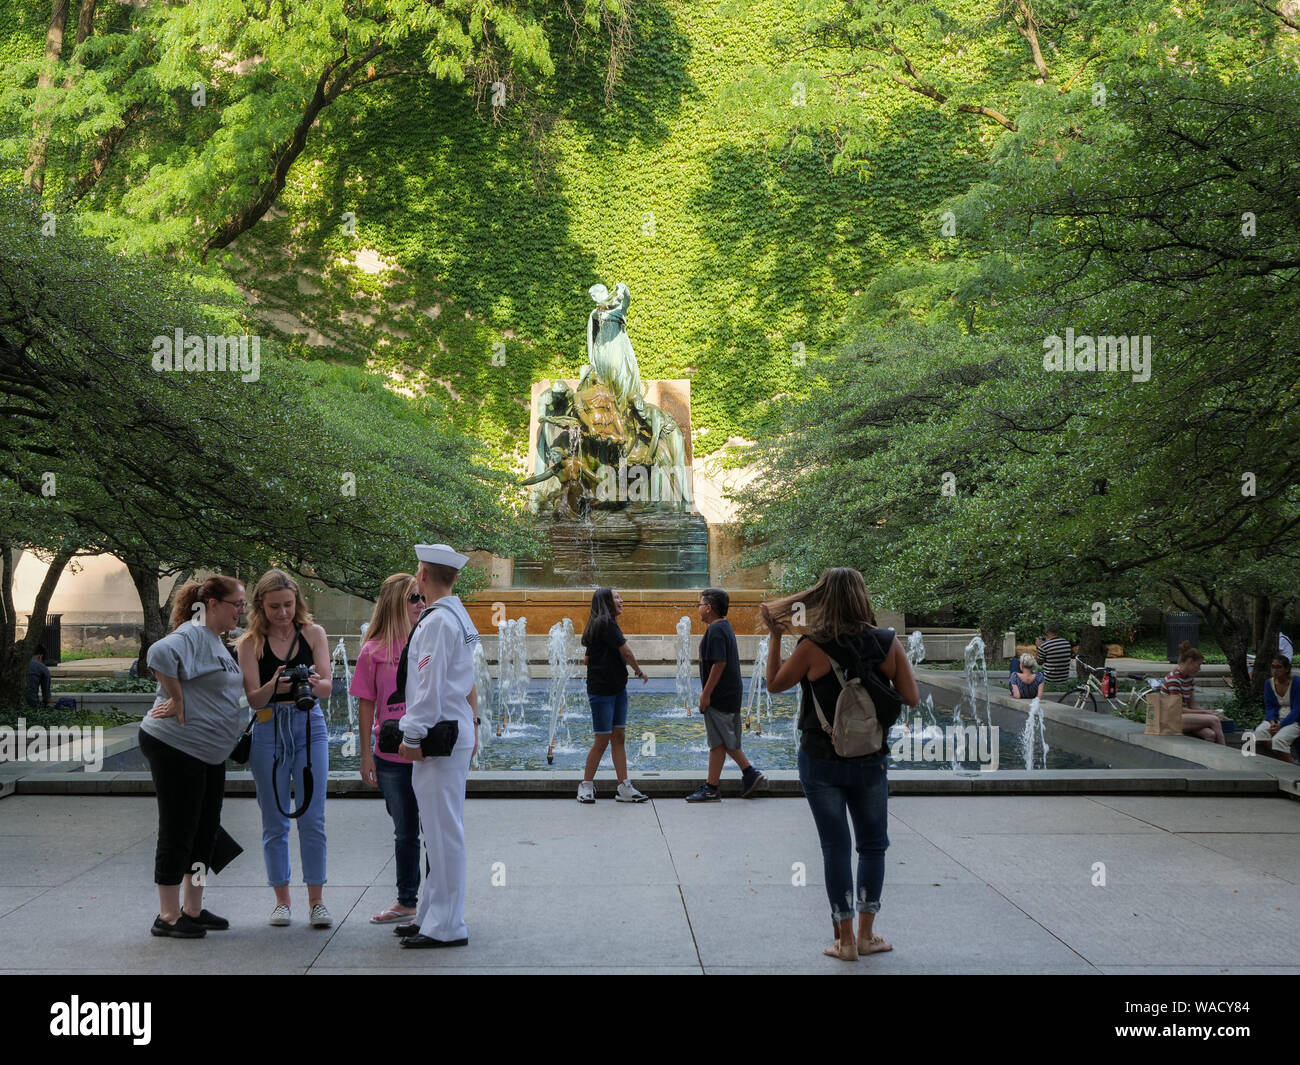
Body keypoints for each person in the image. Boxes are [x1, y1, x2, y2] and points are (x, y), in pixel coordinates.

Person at [761, 568, 918, 962]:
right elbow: (912, 698)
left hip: (820, 759)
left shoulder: (812, 647)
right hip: (870, 761)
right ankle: (867, 935)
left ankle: (844, 941)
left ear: (824, 600)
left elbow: (775, 685)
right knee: (873, 847)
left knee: (835, 848)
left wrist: (776, 636)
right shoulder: (887, 642)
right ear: (862, 598)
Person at [138, 575, 247, 938]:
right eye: (237, 604)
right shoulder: (193, 633)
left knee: (204, 834)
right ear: (212, 604)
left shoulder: (215, 640)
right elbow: (158, 654)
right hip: (176, 748)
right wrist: (178, 698)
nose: (241, 611)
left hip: (207, 753)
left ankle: (193, 908)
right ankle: (167, 916)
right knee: (178, 830)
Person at [393, 544, 481, 949]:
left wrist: (411, 736)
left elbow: (426, 688)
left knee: (442, 833)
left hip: (437, 736)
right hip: (452, 730)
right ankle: (431, 916)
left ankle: (446, 925)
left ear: (422, 575)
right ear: (455, 577)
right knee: (441, 829)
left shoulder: (435, 623)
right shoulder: (456, 617)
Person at [236, 569, 334, 928]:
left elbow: (325, 688)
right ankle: (281, 900)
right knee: (273, 820)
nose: (282, 613)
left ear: (297, 602)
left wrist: (307, 680)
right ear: (260, 605)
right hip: (268, 729)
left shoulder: (313, 633)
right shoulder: (250, 643)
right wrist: (277, 683)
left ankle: (317, 900)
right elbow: (253, 698)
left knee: (313, 818)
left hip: (309, 726)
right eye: (274, 606)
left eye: (288, 605)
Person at [351, 573, 425, 923]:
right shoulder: (373, 650)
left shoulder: (428, 642)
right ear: (397, 602)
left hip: (428, 753)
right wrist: (366, 755)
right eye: (414, 598)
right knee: (406, 829)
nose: (421, 604)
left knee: (436, 829)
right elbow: (367, 704)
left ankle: (438, 901)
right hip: (391, 757)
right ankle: (407, 901)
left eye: (422, 597)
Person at [685, 588, 765, 801]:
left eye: (700, 604)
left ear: (709, 608)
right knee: (718, 741)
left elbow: (719, 663)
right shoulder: (723, 627)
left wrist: (705, 694)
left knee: (725, 739)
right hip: (727, 693)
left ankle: (749, 772)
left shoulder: (716, 630)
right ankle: (712, 786)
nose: (699, 608)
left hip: (720, 695)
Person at [577, 588, 649, 804]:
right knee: (602, 739)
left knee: (618, 737)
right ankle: (586, 786)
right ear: (606, 602)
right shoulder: (606, 624)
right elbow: (626, 652)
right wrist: (638, 671)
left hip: (616, 688)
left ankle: (624, 786)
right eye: (616, 597)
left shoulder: (599, 624)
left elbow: (587, 659)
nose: (621, 600)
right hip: (603, 691)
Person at [1162, 641, 1224, 744]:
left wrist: (1213, 712)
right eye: (1198, 665)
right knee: (1214, 720)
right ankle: (1225, 751)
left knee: (1210, 734)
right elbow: (1178, 709)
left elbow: (1193, 705)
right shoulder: (1174, 679)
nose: (1199, 669)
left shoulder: (1189, 679)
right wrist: (1207, 713)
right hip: (1170, 719)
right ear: (1190, 661)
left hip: (1183, 718)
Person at [1252, 654, 1299, 763]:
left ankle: (1293, 766)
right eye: (1273, 667)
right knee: (1259, 732)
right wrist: (1272, 721)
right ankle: (1290, 761)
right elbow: (1270, 706)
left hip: (1295, 720)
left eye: (1278, 667)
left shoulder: (1296, 682)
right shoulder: (1269, 683)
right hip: (1277, 718)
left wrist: (1281, 726)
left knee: (1279, 740)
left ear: (1287, 669)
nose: (1274, 670)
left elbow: (1298, 709)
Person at [26, 644, 52, 709]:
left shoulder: (14, 663)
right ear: (40, 656)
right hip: (32, 703)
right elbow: (47, 697)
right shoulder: (42, 667)